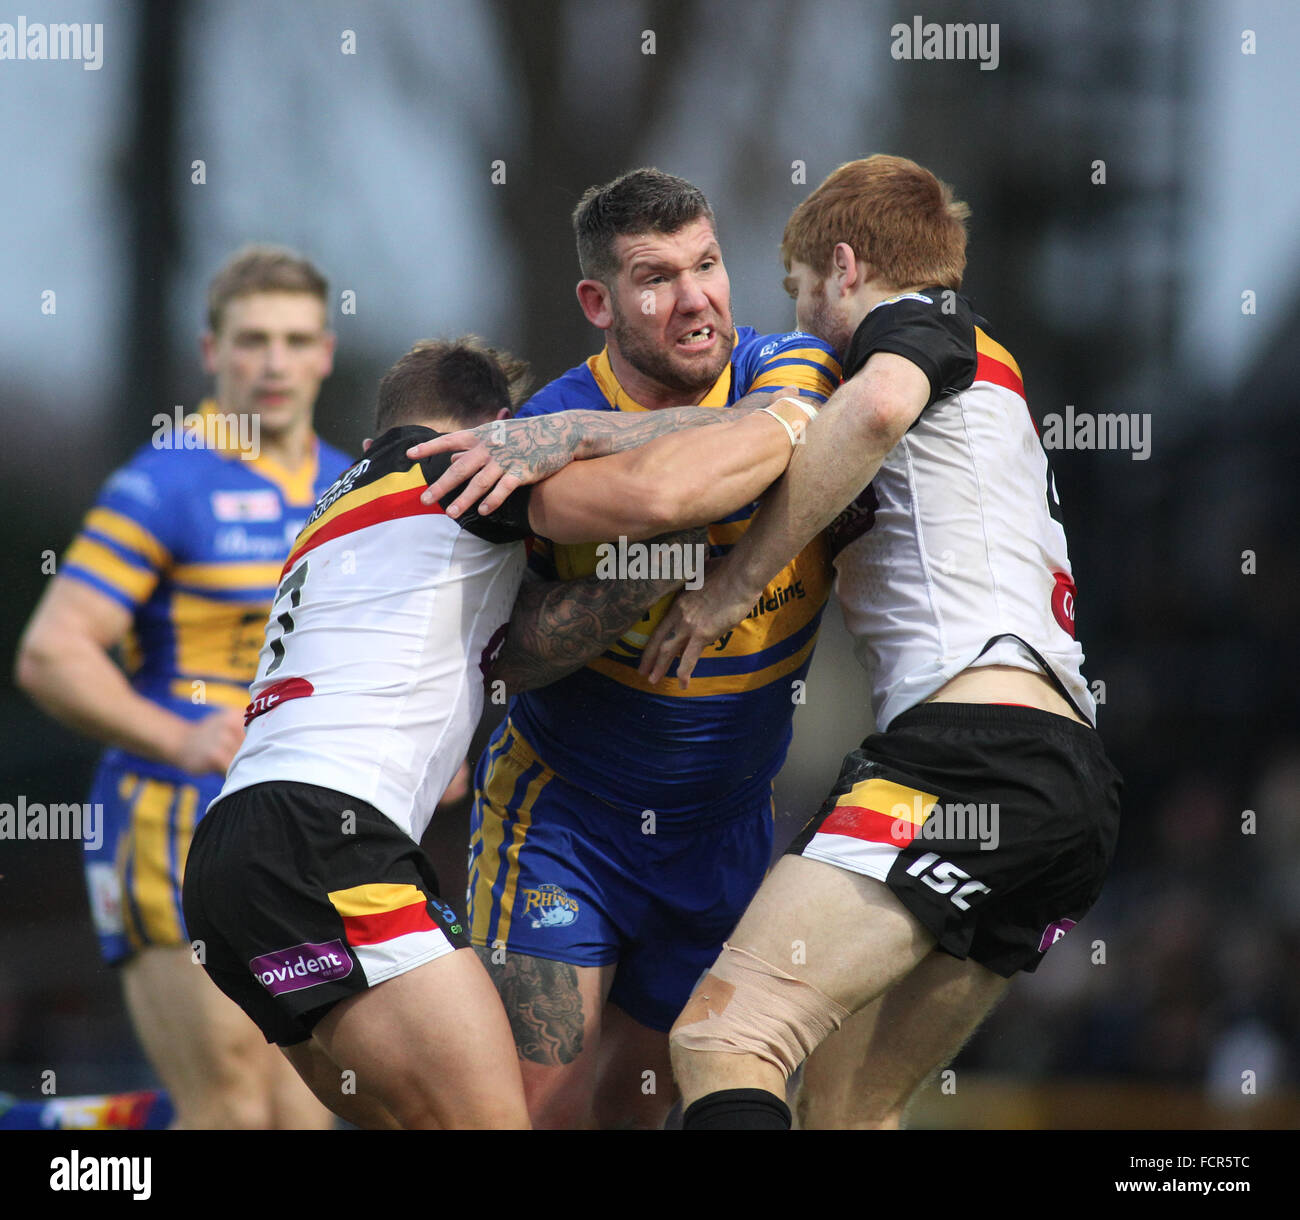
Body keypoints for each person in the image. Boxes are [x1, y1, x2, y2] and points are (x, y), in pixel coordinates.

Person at [181, 336, 822, 1129]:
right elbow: (655, 495)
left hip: (227, 862)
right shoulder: (449, 471)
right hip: (326, 846)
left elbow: (523, 641)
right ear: (494, 427)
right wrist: (758, 421)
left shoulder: (334, 516)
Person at [632, 155, 1123, 1130]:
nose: (803, 320)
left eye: (801, 292)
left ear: (846, 268)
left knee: (726, 1039)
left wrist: (728, 587)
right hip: (1067, 790)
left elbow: (879, 404)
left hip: (968, 758)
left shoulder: (918, 328)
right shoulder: (993, 379)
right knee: (848, 1111)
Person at [411, 167, 841, 1129]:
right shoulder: (527, 440)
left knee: (640, 1108)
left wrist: (596, 445)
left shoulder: (798, 368)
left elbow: (693, 472)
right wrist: (678, 555)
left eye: (710, 264)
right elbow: (510, 659)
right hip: (567, 824)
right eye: (657, 277)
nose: (696, 299)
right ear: (598, 302)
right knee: (542, 1114)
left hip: (726, 824)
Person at [15, 245, 351, 1129]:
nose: (273, 363)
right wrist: (182, 739)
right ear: (212, 352)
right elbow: (53, 652)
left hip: (301, 840)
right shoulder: (165, 483)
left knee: (307, 1114)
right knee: (232, 1105)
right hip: (171, 823)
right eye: (251, 341)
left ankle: (51, 1132)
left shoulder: (349, 485)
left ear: (323, 351)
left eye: (293, 339)